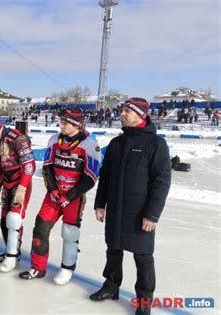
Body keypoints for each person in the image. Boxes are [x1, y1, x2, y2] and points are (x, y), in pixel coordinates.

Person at [89, 98, 171, 315]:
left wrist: (152, 215)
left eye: (127, 111)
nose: (122, 114)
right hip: (115, 207)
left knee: (143, 257)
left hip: (140, 212)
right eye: (122, 110)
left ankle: (144, 301)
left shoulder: (156, 144)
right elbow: (105, 176)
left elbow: (162, 182)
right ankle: (111, 286)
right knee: (113, 249)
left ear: (141, 114)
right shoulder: (117, 143)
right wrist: (100, 204)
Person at [19, 109, 101, 283]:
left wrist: (70, 196)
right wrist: (53, 190)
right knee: (40, 228)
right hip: (54, 195)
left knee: (69, 233)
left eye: (65, 123)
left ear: (77, 124)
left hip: (74, 197)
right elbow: (47, 168)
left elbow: (91, 178)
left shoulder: (90, 145)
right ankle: (38, 267)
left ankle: (67, 268)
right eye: (61, 122)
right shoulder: (54, 140)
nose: (61, 125)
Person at [0, 118, 35, 271]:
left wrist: (22, 187)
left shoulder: (18, 139)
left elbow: (29, 165)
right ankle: (11, 250)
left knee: (14, 219)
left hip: (20, 183)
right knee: (4, 221)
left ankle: (12, 256)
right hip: (7, 184)